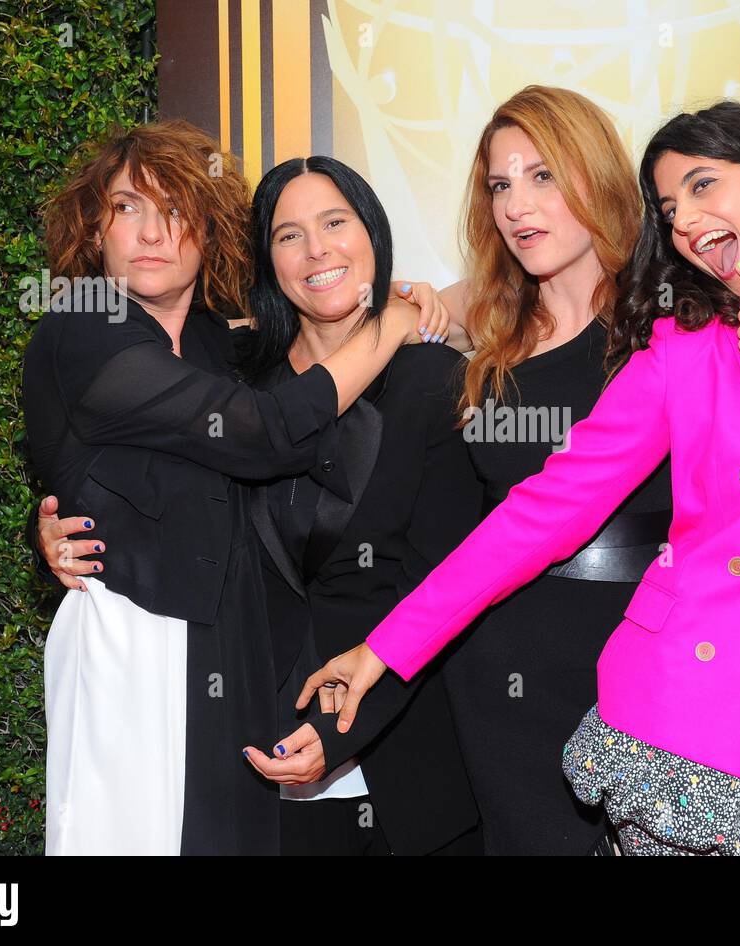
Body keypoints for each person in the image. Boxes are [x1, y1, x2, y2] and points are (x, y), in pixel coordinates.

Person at [298, 99, 740, 855]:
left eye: (704, 185)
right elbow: (544, 511)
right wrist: (385, 649)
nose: (684, 219)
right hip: (704, 753)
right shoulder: (689, 349)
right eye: (670, 205)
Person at [21, 120, 447, 855]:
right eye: (127, 208)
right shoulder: (81, 328)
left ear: (211, 230)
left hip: (226, 657)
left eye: (177, 209)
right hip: (131, 645)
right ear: (95, 234)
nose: (152, 230)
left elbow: (302, 333)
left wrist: (440, 299)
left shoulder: (223, 346)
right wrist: (394, 321)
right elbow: (261, 431)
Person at [235, 156, 482, 855]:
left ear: (373, 234)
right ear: (268, 261)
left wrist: (346, 723)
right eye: (288, 235)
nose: (317, 249)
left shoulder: (436, 381)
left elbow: (441, 582)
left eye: (335, 222)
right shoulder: (234, 382)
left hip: (403, 753)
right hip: (256, 746)